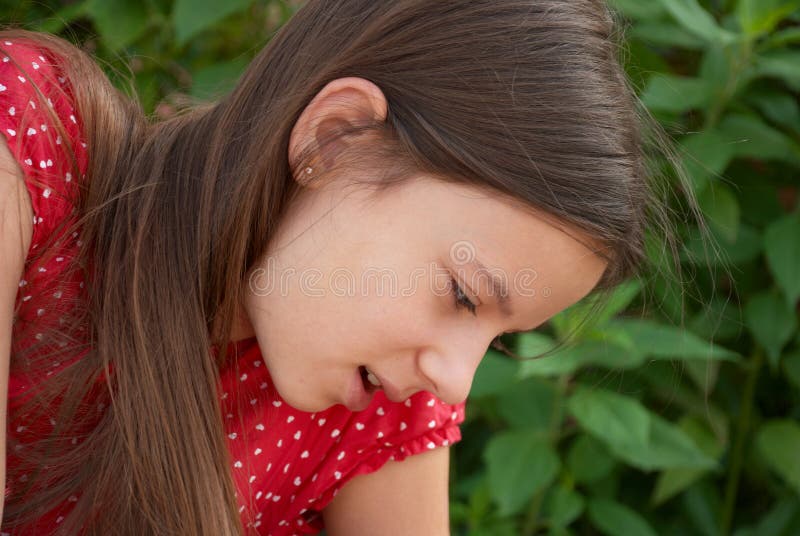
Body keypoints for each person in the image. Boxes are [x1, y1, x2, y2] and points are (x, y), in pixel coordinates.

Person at [0, 1, 692, 534]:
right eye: (462, 295)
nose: (456, 379)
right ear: (334, 139)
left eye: (499, 341)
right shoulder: (35, 152)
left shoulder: (389, 405)